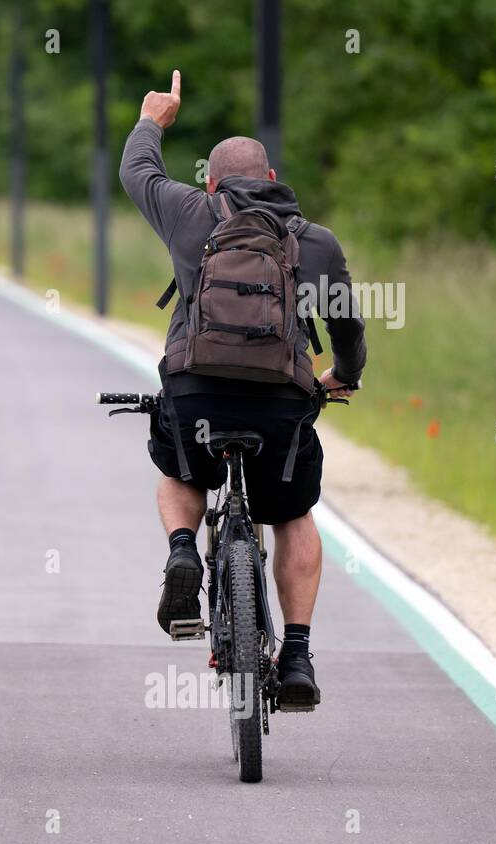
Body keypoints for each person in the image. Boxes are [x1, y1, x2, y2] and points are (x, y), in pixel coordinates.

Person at [119, 70, 366, 709]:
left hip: (197, 393)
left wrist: (154, 120)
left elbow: (137, 173)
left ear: (211, 183)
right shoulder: (315, 241)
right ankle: (300, 656)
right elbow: (346, 325)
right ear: (276, 182)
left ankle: (182, 553)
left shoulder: (189, 214)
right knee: (292, 515)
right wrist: (344, 375)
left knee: (180, 467)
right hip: (282, 400)